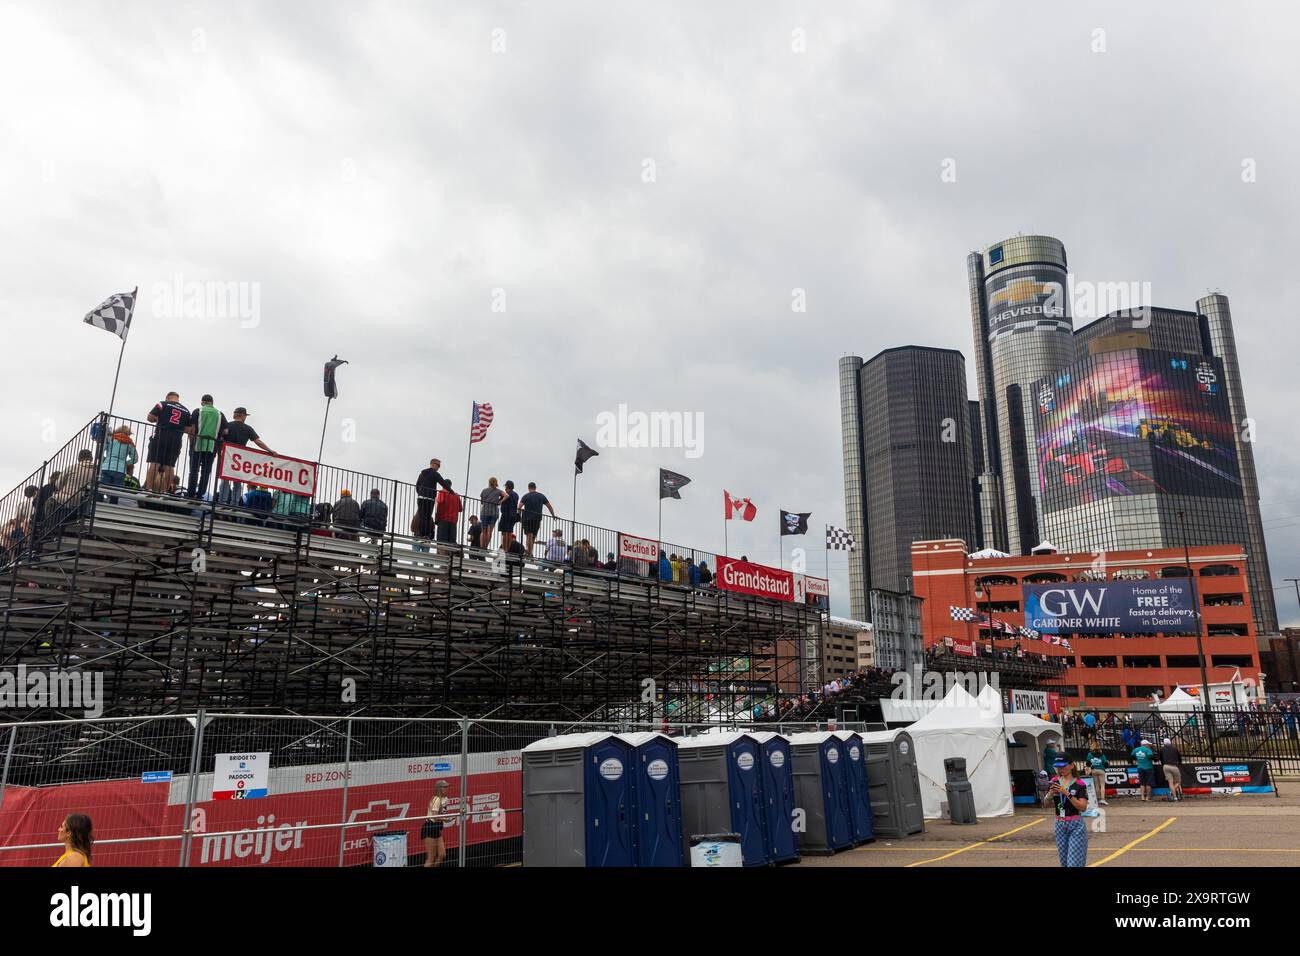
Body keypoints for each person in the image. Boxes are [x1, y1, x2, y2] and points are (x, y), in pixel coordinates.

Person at [218, 407, 274, 503]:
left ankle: (222, 502)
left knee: (225, 480)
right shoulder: (248, 428)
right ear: (242, 415)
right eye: (245, 416)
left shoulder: (227, 425)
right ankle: (234, 503)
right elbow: (258, 441)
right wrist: (270, 451)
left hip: (227, 456)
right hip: (240, 459)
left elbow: (220, 438)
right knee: (237, 481)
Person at [1043, 756, 1089, 867]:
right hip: (1059, 824)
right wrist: (1050, 794)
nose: (1060, 769)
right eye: (1058, 767)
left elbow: (1083, 807)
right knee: (1064, 862)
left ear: (1072, 765)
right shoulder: (1054, 781)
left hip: (1075, 825)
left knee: (1074, 863)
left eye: (1063, 766)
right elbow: (1045, 804)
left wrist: (1066, 793)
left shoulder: (1080, 784)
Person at [144, 392, 192, 494]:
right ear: (177, 399)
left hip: (160, 436)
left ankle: (148, 489)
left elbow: (150, 418)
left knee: (154, 463)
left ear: (167, 397)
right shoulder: (187, 411)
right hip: (176, 440)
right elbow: (188, 429)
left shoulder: (162, 404)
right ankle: (165, 492)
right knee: (169, 466)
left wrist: (158, 419)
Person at [186, 395, 227, 499]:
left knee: (194, 470)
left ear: (202, 402)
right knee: (206, 471)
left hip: (197, 445)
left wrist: (191, 443)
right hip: (212, 447)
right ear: (212, 402)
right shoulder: (220, 414)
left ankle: (191, 493)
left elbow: (192, 428)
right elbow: (226, 431)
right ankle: (200, 494)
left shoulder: (197, 411)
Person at [100, 425, 137, 504]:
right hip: (120, 470)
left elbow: (101, 451)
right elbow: (135, 458)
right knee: (115, 493)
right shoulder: (130, 443)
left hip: (106, 467)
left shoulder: (111, 439)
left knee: (101, 489)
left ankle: (97, 505)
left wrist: (105, 460)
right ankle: (112, 509)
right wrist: (125, 463)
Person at [422, 780, 452, 868]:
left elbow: (442, 814)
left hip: (437, 828)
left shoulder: (445, 799)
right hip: (430, 827)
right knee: (431, 857)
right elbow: (435, 817)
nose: (447, 789)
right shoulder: (436, 799)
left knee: (442, 855)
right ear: (439, 789)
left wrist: (446, 819)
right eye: (445, 787)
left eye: (447, 787)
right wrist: (446, 820)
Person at [518, 482, 555, 554]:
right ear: (535, 487)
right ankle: (530, 551)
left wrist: (519, 516)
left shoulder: (526, 496)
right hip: (537, 519)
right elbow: (549, 506)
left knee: (529, 535)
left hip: (527, 518)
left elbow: (519, 507)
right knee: (533, 536)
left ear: (528, 488)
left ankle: (529, 552)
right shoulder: (541, 496)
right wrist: (553, 515)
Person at [415, 458, 445, 539]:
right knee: (427, 516)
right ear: (432, 464)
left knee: (422, 516)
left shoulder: (422, 472)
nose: (438, 467)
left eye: (439, 466)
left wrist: (420, 493)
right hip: (430, 498)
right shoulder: (435, 474)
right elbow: (443, 483)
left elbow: (417, 485)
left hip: (421, 497)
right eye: (437, 465)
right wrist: (451, 491)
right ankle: (425, 534)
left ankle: (422, 534)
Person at [479, 477, 505, 548]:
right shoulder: (498, 491)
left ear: (489, 482)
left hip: (484, 512)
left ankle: (482, 546)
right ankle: (485, 546)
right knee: (490, 531)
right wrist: (500, 501)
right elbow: (506, 495)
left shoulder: (484, 490)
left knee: (483, 531)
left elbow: (482, 502)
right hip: (494, 512)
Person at [434, 480, 461, 544]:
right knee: (451, 543)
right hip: (453, 521)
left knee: (441, 542)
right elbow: (460, 509)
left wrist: (437, 517)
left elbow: (440, 503)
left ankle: (441, 554)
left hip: (443, 520)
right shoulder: (456, 495)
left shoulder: (442, 492)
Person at [1084, 741, 1109, 806]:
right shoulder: (1101, 754)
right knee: (1102, 785)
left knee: (1096, 785)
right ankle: (1103, 799)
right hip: (1101, 770)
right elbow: (1106, 764)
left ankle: (1097, 799)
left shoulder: (1089, 754)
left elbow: (1088, 763)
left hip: (1094, 770)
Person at [1132, 738, 1156, 802]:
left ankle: (1142, 797)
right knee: (1149, 783)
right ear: (1145, 744)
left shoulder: (1136, 749)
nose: (1149, 745)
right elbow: (1150, 756)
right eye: (1148, 744)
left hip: (1140, 767)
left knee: (1142, 783)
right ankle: (1148, 797)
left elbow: (1132, 756)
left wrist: (1137, 759)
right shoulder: (1148, 750)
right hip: (1148, 768)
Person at [497, 480, 520, 550]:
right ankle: (508, 549)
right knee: (510, 532)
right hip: (513, 515)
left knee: (504, 532)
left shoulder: (506, 493)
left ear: (507, 486)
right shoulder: (516, 495)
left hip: (506, 514)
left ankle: (504, 549)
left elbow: (498, 501)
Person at [1159, 737, 1183, 802]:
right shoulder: (1175, 749)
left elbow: (1160, 758)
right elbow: (1179, 757)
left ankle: (1175, 797)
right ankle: (1170, 792)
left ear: (1164, 744)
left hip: (1165, 766)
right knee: (1178, 782)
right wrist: (1179, 763)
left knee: (1170, 783)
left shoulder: (1162, 749)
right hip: (1174, 766)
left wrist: (1163, 764)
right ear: (1170, 743)